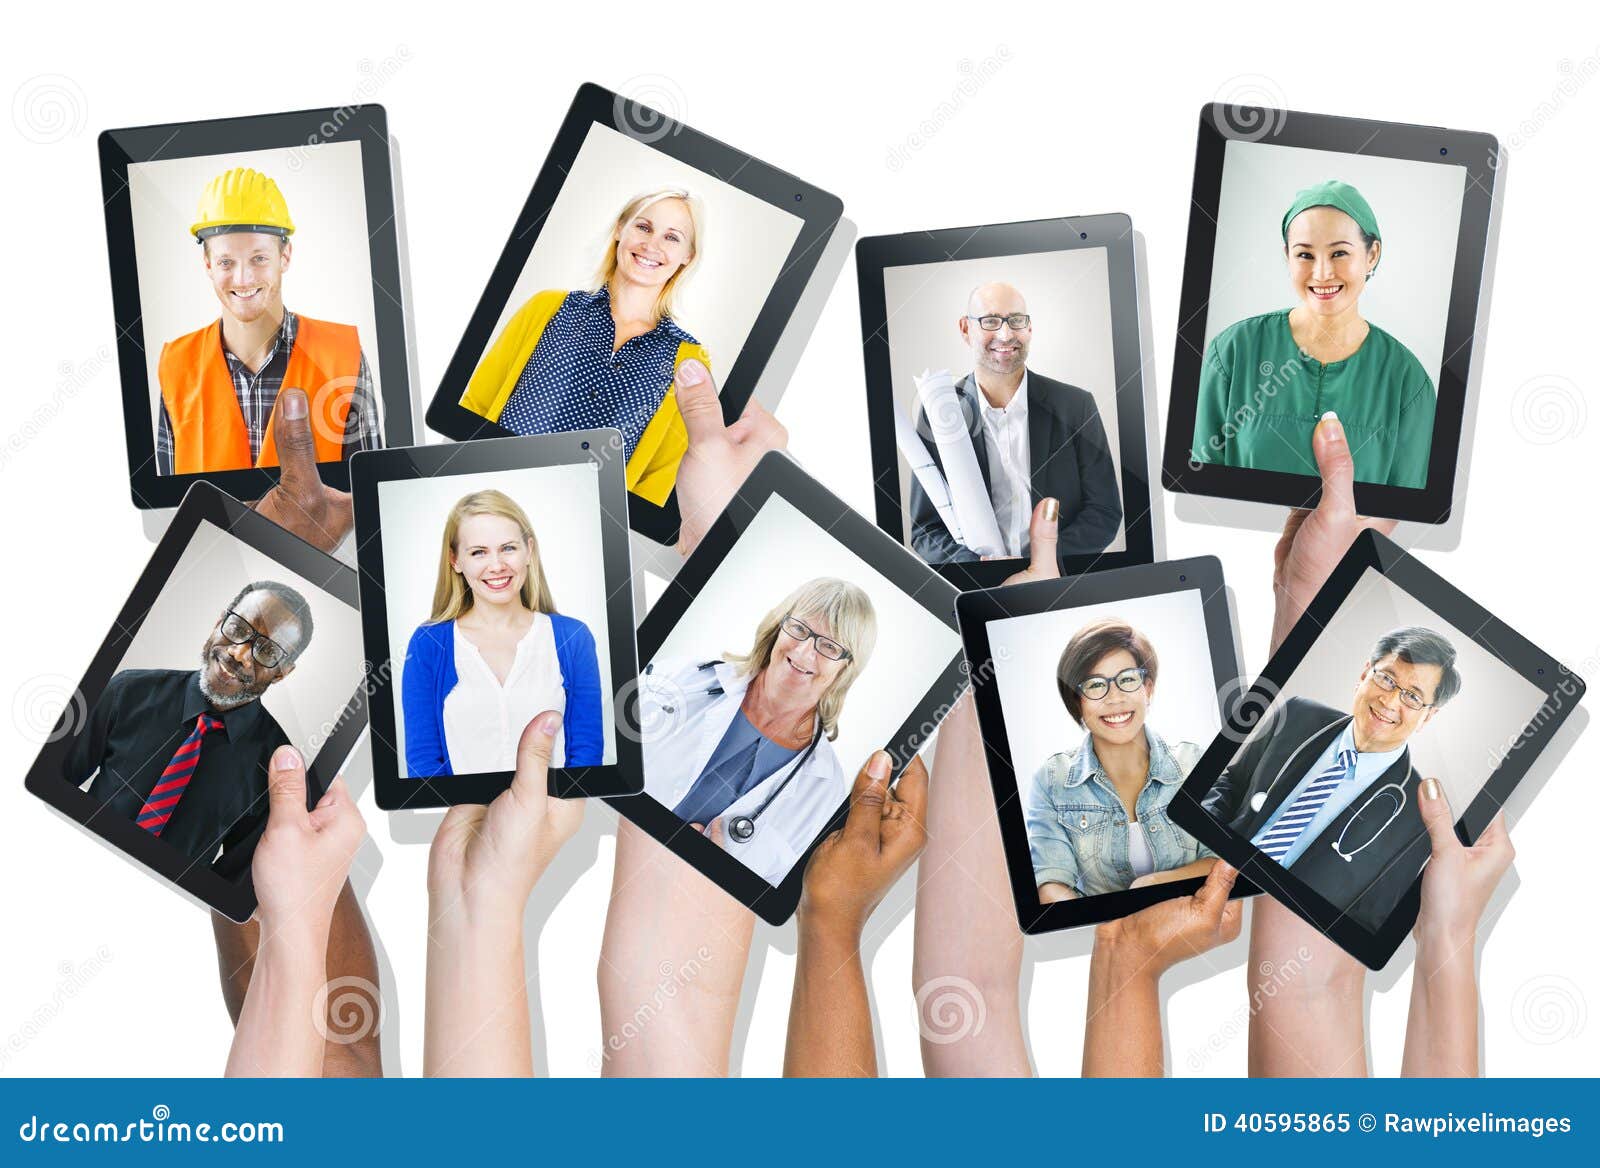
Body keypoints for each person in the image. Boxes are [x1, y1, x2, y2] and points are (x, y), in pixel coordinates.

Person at [460, 188, 712, 506]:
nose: (652, 245)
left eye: (672, 238)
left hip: (585, 531)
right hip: (493, 495)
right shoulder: (547, 308)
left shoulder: (689, 360)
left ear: (687, 256)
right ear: (621, 228)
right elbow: (475, 406)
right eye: (644, 227)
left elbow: (658, 478)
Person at [1200, 625, 1460, 932]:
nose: (1390, 702)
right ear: (1365, 674)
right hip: (1211, 871)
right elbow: (1230, 784)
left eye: (1413, 697)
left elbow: (1368, 920)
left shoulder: (1419, 821)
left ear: (1428, 716)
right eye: (1387, 678)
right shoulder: (1298, 714)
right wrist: (1205, 846)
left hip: (1285, 935)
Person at [1191, 180, 1436, 488]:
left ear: (1371, 255)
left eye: (1339, 254)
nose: (1322, 274)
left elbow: (1405, 516)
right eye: (1305, 255)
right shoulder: (1233, 352)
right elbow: (1200, 486)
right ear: (1287, 256)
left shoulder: (1407, 382)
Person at [63, 580, 314, 875]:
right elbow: (55, 781)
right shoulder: (126, 691)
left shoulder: (275, 772)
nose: (239, 654)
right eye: (238, 629)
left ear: (283, 672)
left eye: (268, 651)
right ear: (219, 621)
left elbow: (230, 882)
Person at [639, 577, 878, 886]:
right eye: (800, 630)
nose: (805, 653)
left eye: (829, 647)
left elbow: (777, 894)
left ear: (846, 668)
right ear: (779, 626)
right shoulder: (682, 680)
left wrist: (723, 880)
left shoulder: (825, 789)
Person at [157, 166, 380, 475]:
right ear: (208, 264)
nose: (243, 277)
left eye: (259, 258)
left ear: (284, 256)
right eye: (226, 262)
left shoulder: (342, 356)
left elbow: (371, 499)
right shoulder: (177, 365)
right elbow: (168, 507)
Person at [907, 281, 1121, 565]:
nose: (1005, 334)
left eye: (1016, 321)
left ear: (1029, 328)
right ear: (965, 329)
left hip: (1058, 580)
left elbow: (1104, 513)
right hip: (976, 588)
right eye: (991, 321)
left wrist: (1044, 560)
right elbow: (926, 531)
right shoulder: (939, 413)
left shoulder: (1076, 406)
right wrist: (975, 566)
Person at [402, 490, 603, 775]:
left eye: (508, 548)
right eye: (478, 552)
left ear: (529, 551)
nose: (496, 565)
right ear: (455, 561)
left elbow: (587, 755)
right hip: (466, 818)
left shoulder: (573, 639)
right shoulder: (429, 644)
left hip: (553, 815)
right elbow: (423, 763)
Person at [1026, 619, 1217, 901]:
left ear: (1147, 688)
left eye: (1127, 679)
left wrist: (1151, 885)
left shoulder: (1195, 763)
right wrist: (1109, 931)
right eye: (1094, 685)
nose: (1114, 698)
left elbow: (1221, 860)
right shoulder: (1052, 780)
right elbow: (1051, 883)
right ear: (1077, 701)